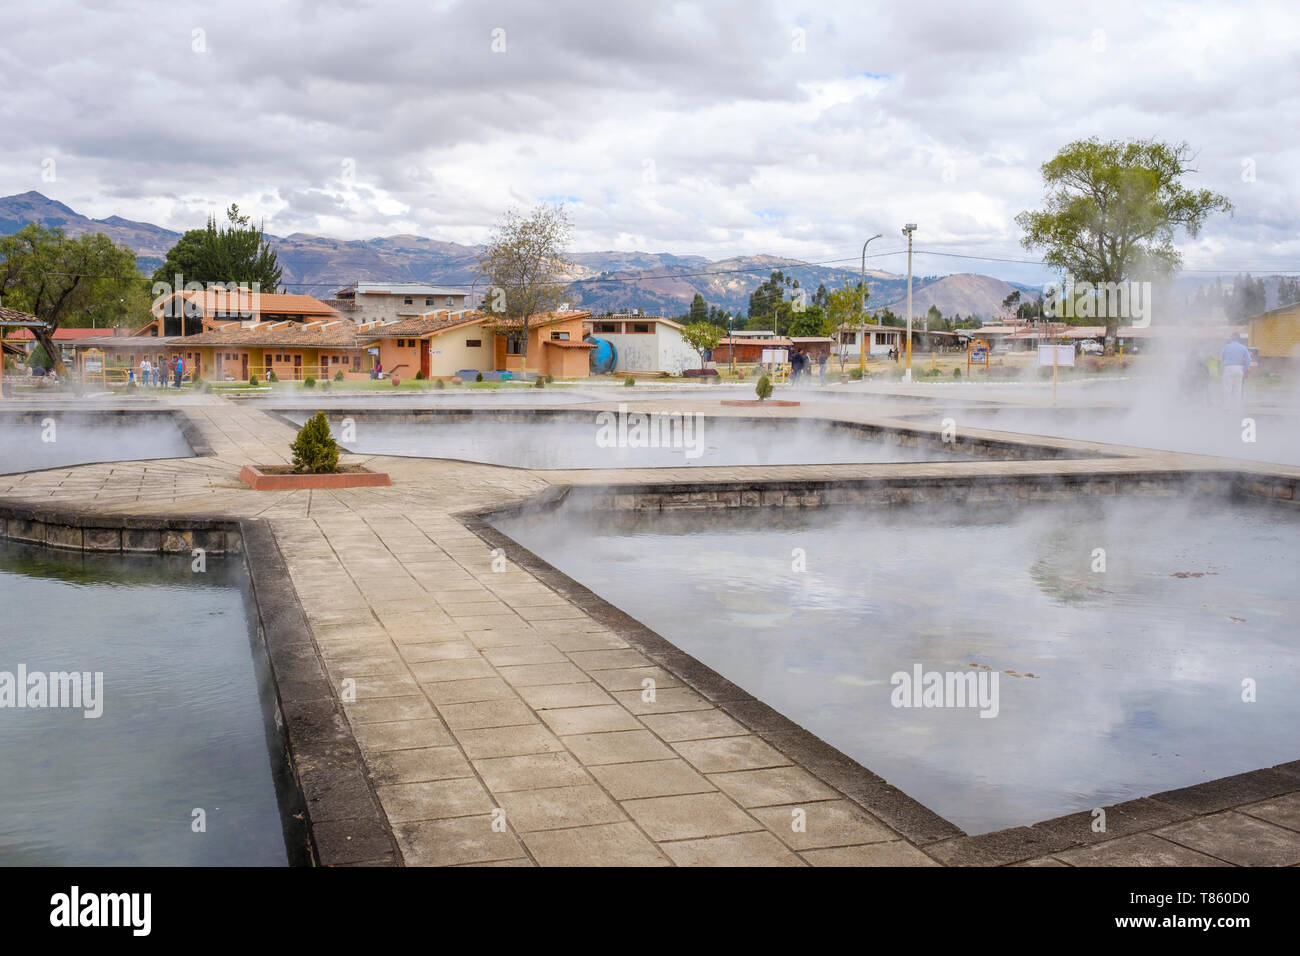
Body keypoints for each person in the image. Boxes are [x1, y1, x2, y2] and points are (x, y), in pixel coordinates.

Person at [1219, 333, 1251, 408]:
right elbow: (1249, 359)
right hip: (1239, 368)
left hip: (1229, 368)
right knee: (1238, 389)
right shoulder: (1243, 347)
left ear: (1231, 338)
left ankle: (1227, 407)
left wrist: (1221, 369)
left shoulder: (1226, 347)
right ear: (1239, 339)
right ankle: (1237, 407)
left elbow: (1221, 358)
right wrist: (1244, 369)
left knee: (1227, 389)